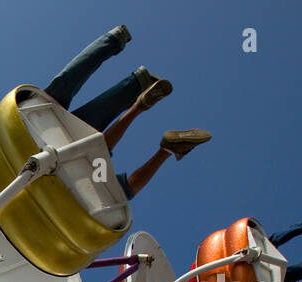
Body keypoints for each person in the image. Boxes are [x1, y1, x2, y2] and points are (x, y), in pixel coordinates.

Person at [43, 25, 212, 199]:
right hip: (58, 143)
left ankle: (160, 141)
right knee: (54, 97)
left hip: (64, 156)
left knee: (119, 188)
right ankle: (116, 45)